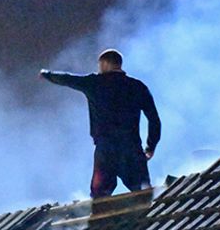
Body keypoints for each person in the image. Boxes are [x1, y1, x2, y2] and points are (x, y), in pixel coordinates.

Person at [40, 49, 161, 198]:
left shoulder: (95, 83)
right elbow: (154, 119)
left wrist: (47, 74)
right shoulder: (137, 86)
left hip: (106, 149)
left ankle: (99, 220)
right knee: (144, 194)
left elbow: (68, 79)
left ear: (104, 63)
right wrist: (151, 146)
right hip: (131, 147)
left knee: (100, 197)